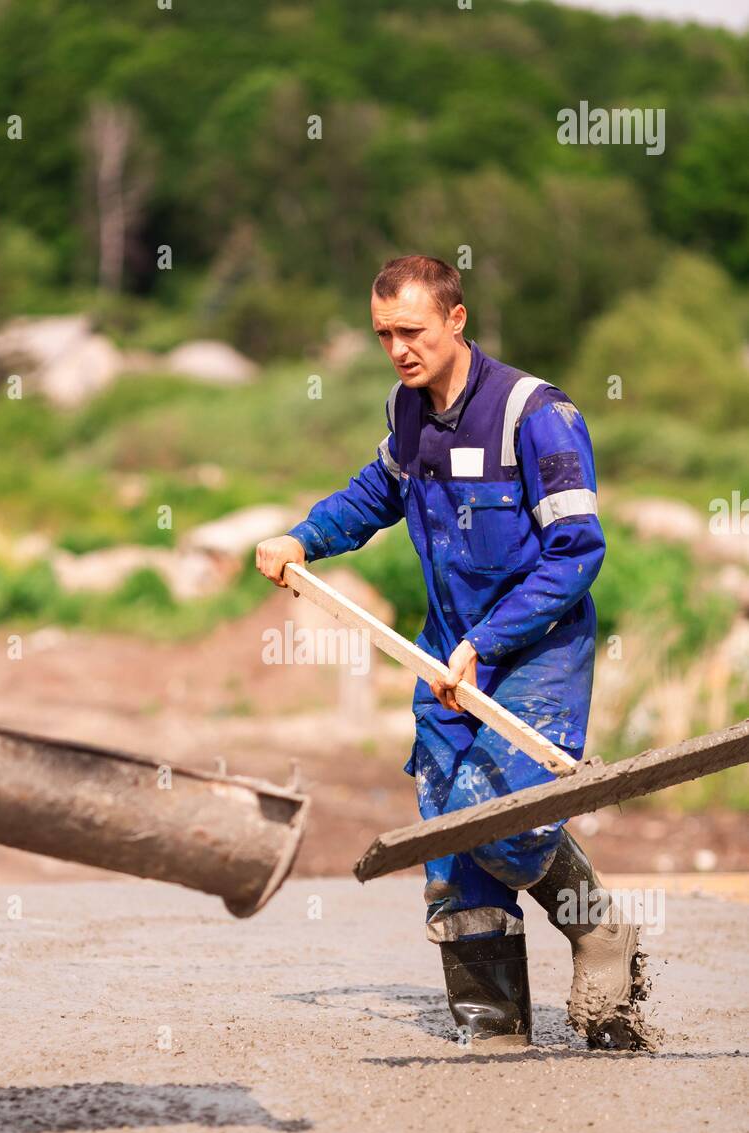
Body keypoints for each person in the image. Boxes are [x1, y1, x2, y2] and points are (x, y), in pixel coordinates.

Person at [256, 254, 656, 1053]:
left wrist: (486, 642)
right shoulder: (409, 414)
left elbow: (576, 552)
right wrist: (303, 535)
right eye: (384, 335)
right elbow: (376, 495)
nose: (399, 349)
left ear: (456, 319)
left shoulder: (536, 414)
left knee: (502, 823)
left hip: (534, 651)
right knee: (448, 835)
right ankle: (493, 1028)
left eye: (413, 331)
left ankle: (601, 928)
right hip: (443, 656)